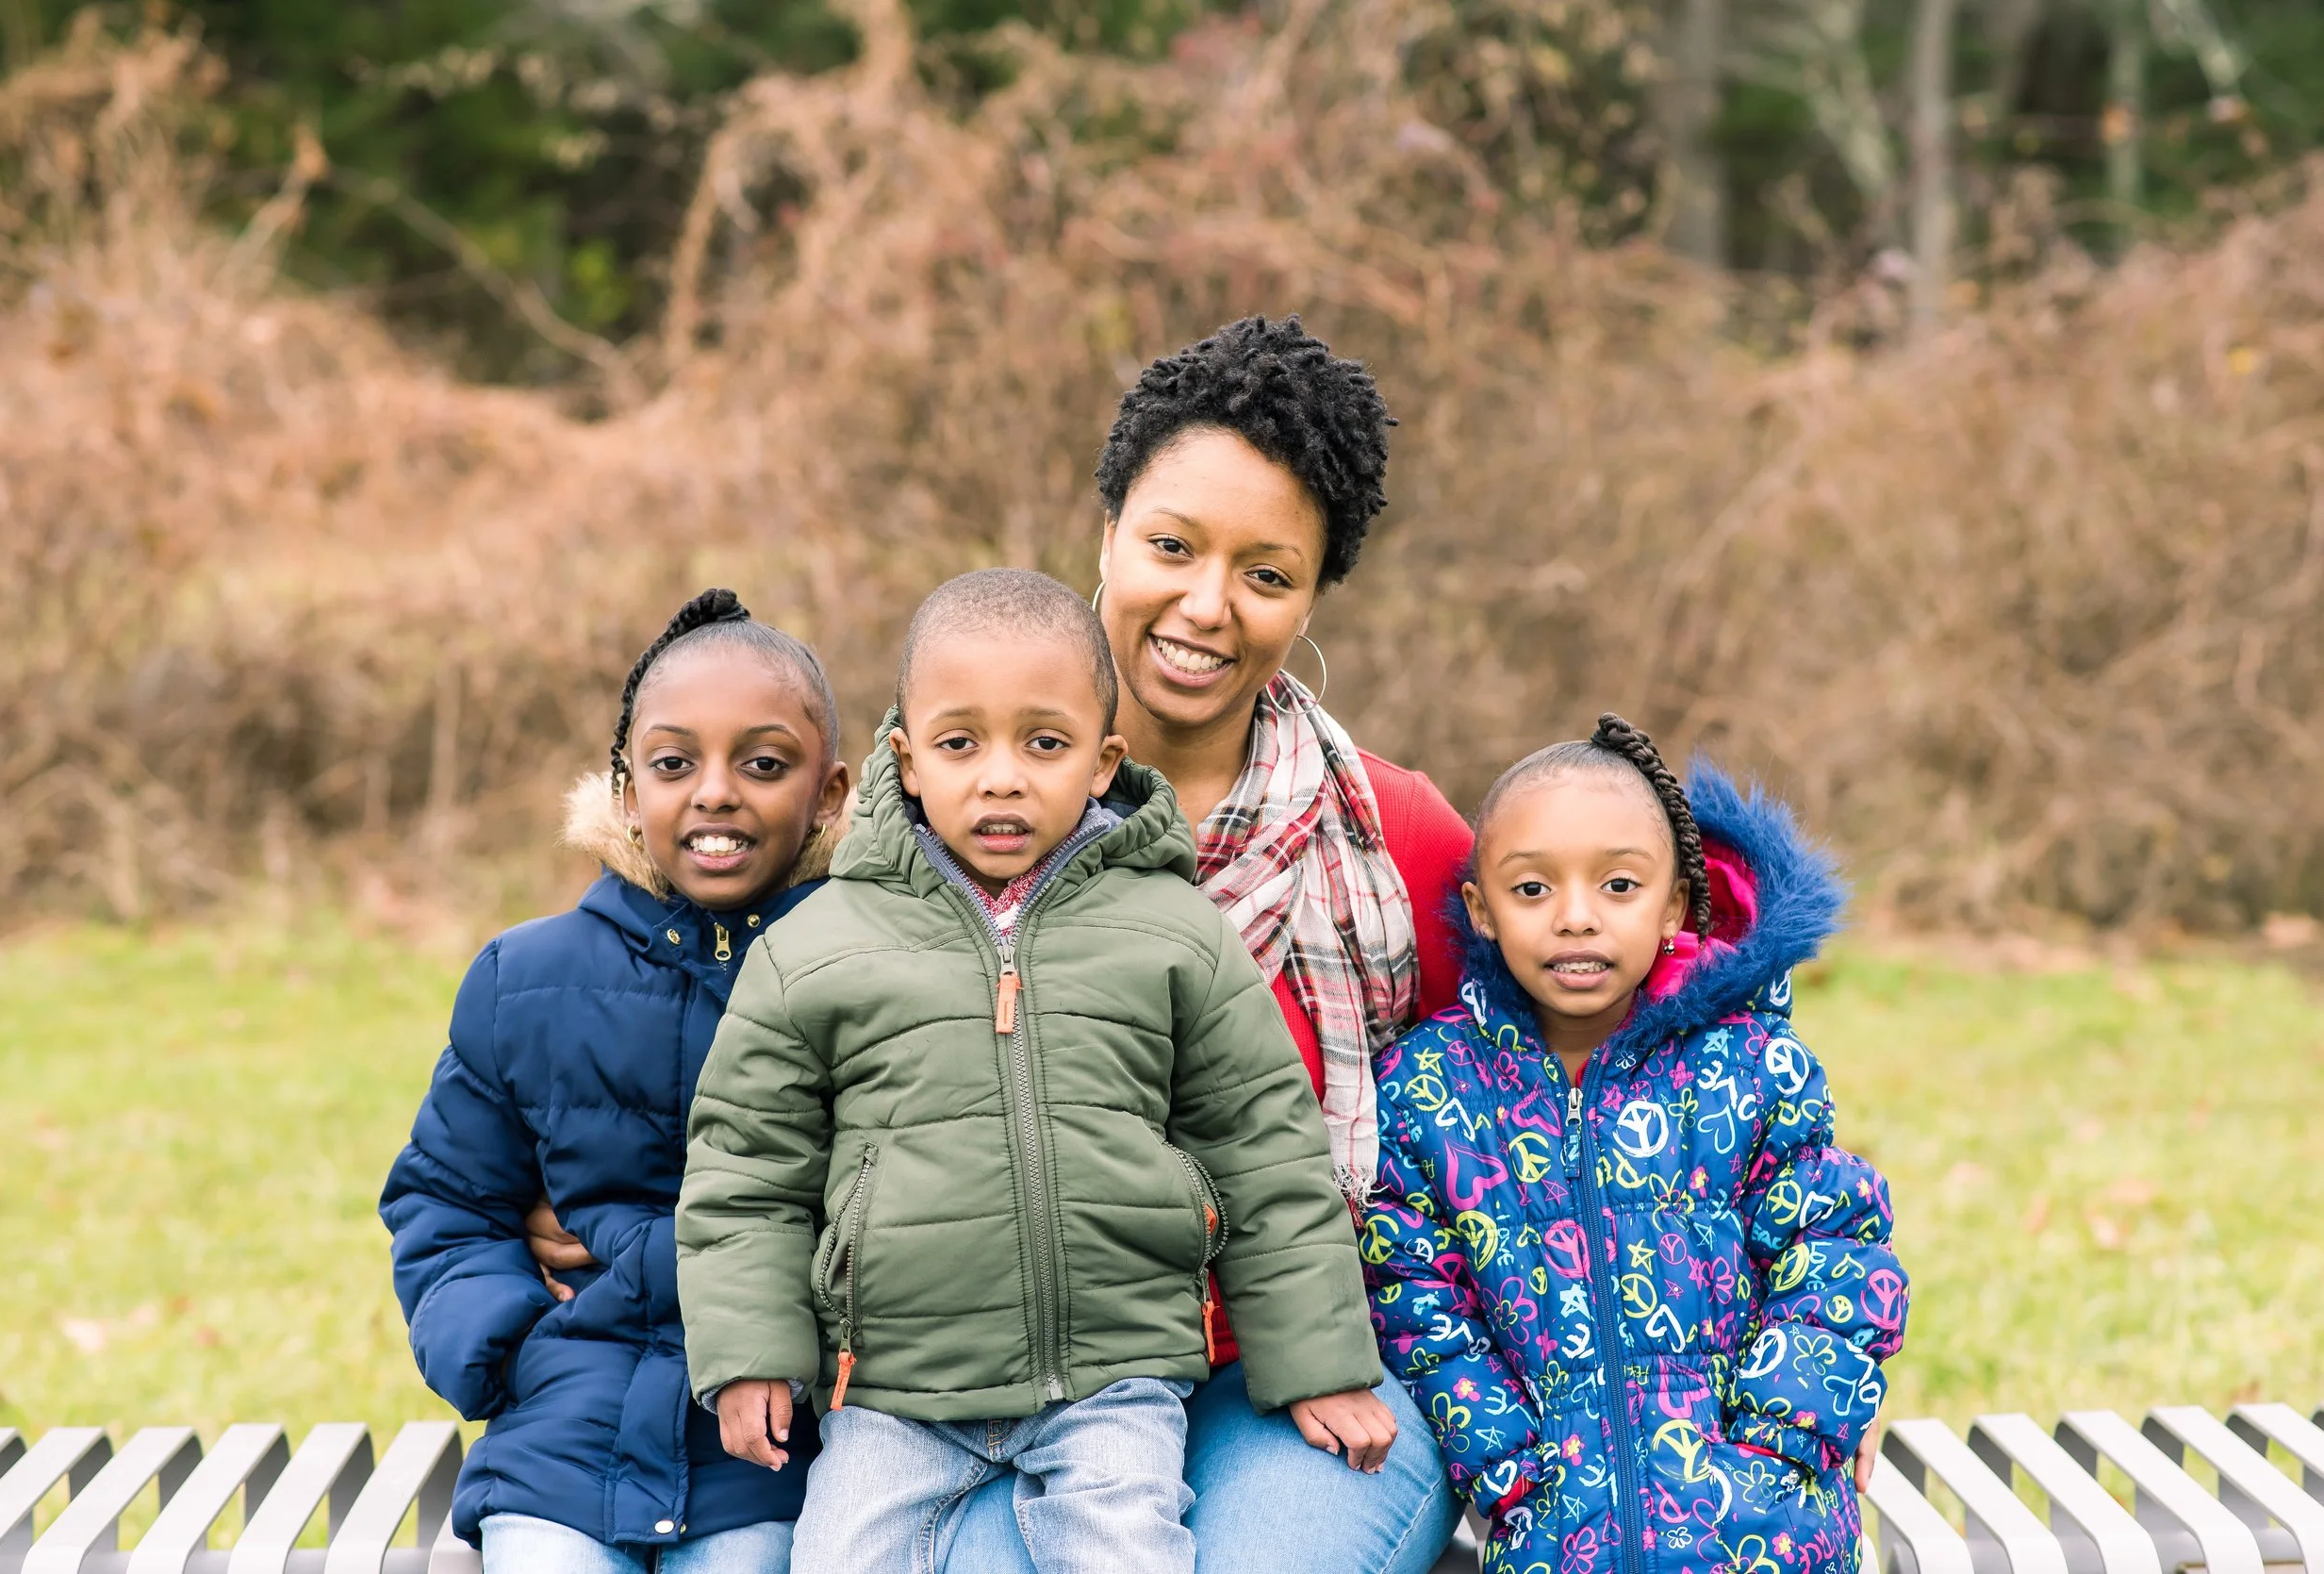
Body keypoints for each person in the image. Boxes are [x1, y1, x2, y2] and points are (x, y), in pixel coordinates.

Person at [675, 569, 1389, 1574]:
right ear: (907, 760)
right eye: (961, 743)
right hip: (896, 1391)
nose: (1000, 776)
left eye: (1043, 743)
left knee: (1129, 1556)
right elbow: (747, 1166)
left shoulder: (1174, 932)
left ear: (1102, 763)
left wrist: (1316, 1366)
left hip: (1111, 1380)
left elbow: (1264, 1150)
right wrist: (753, 1351)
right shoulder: (819, 946)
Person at [935, 314, 1473, 1574]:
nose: (1207, 605)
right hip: (1005, 1383)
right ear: (1107, 534)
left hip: (1305, 1381)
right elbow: (764, 1042)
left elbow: (1602, 1070)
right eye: (1173, 546)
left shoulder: (1394, 840)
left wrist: (1759, 1316)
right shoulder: (950, 811)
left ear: (1312, 598)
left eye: (1267, 574)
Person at [1362, 717, 1910, 1574]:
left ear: (1674, 906)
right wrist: (1505, 1459)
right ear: (1482, 909)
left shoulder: (1748, 1066)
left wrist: (1786, 1438)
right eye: (1533, 890)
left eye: (1618, 885)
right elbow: (1411, 1283)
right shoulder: (1433, 1090)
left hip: (1768, 1525)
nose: (1576, 918)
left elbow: (1832, 1246)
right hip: (1557, 1526)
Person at [381, 589, 852, 1574]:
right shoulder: (525, 979)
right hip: (562, 1438)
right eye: (675, 764)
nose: (715, 792)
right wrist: (511, 1346)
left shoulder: (859, 978)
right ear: (628, 792)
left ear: (830, 792)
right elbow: (445, 1197)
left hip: (767, 1449)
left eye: (762, 764)